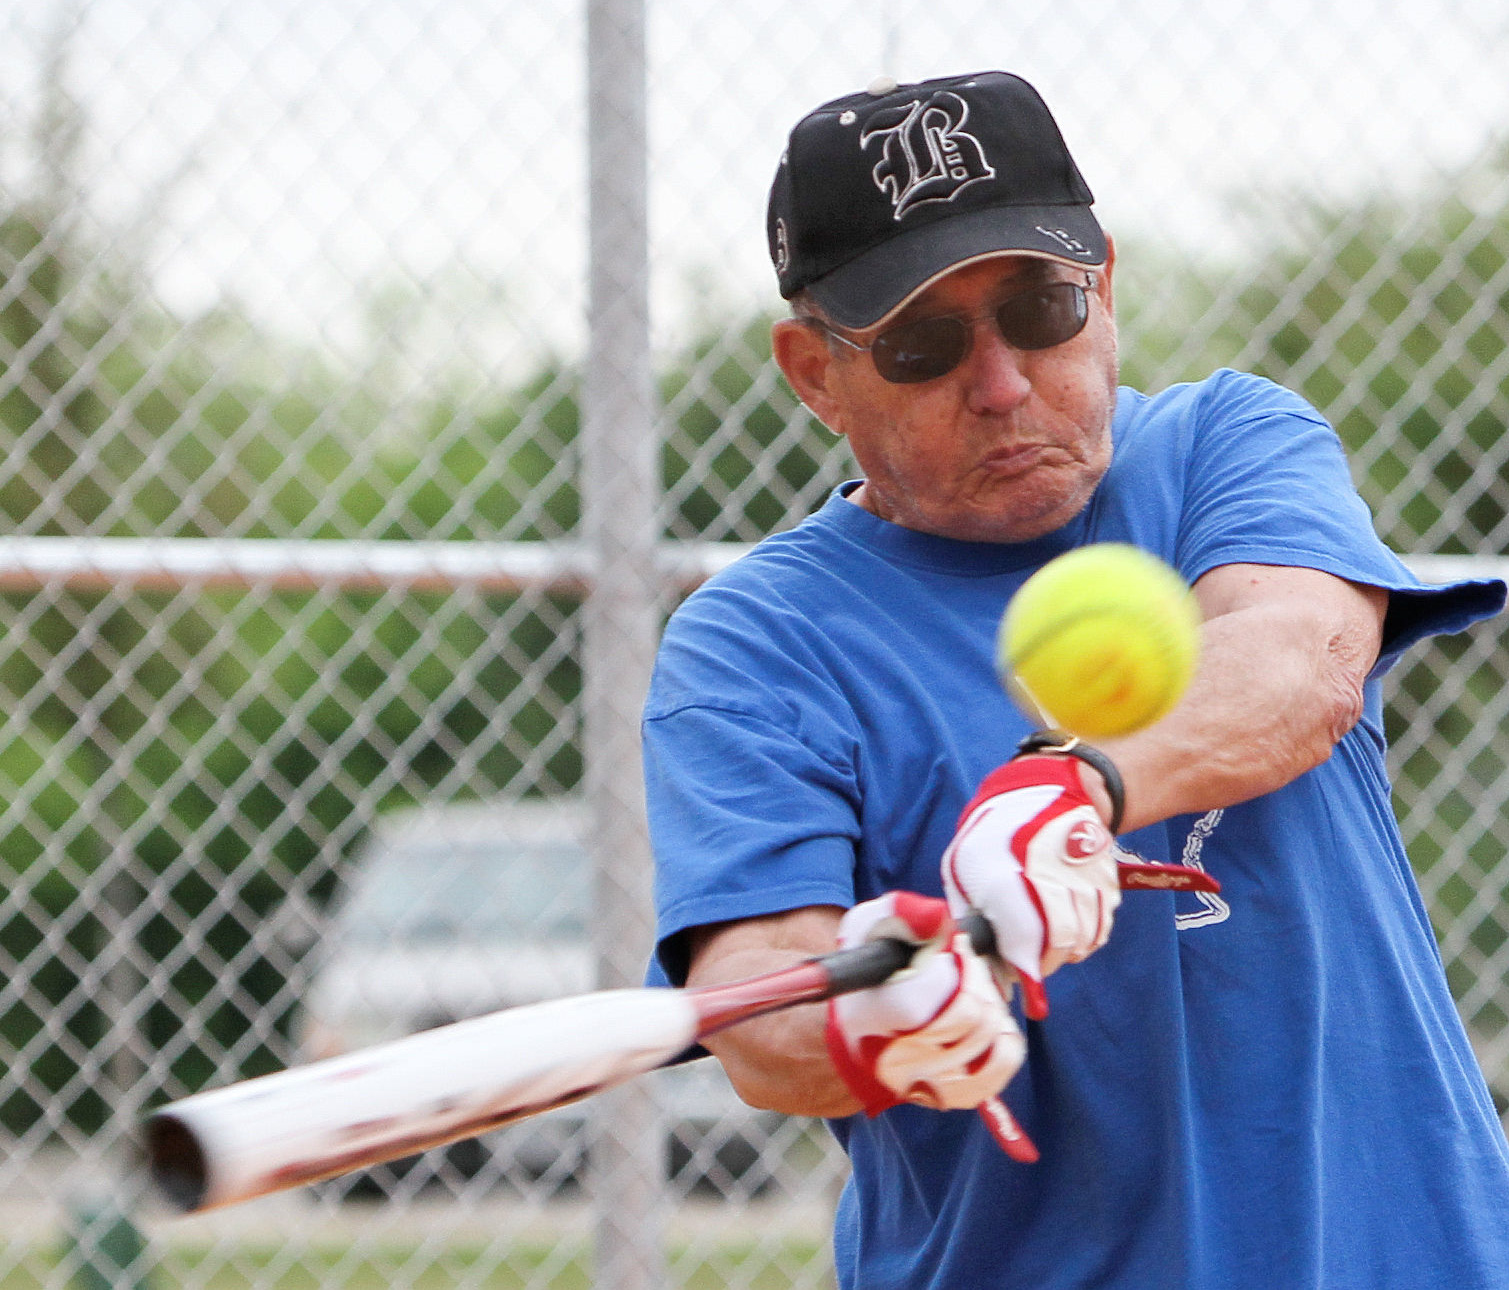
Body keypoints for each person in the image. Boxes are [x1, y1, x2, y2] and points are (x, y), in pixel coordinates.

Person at [642, 69, 1509, 1289]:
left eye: (1041, 308)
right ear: (812, 372)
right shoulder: (758, 643)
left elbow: (1298, 663)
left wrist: (1074, 792)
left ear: (1102, 283)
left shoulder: (1225, 445)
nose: (1001, 385)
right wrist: (885, 1018)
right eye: (924, 343)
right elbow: (760, 1006)